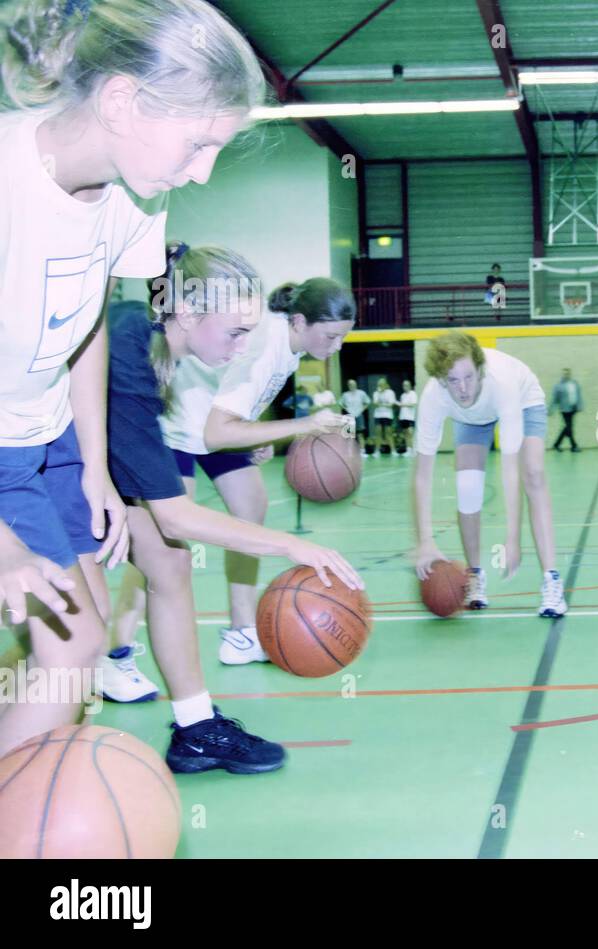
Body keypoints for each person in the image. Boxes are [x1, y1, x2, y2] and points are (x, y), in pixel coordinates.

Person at [0, 0, 264, 756]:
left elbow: (84, 322)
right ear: (121, 100)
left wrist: (93, 465)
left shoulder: (138, 195)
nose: (203, 171)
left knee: (76, 650)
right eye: (199, 143)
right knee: (70, 649)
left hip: (48, 437)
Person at [103, 249, 361, 773]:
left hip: (101, 456)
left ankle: (196, 726)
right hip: (51, 465)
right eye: (237, 333)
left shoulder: (158, 350)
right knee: (73, 637)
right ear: (189, 313)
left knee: (170, 560)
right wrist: (293, 545)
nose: (245, 345)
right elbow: (178, 511)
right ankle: (113, 655)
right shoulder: (130, 348)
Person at [412, 332, 565, 617]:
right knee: (467, 487)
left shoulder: (502, 383)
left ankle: (551, 579)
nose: (463, 388)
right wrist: (425, 541)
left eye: (469, 377)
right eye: (453, 380)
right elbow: (422, 475)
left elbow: (509, 468)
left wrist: (512, 538)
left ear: (480, 369)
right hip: (469, 419)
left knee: (533, 473)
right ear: (441, 379)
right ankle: (475, 575)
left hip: (523, 401)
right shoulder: (433, 397)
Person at [550, 368, 584, 452]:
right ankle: (574, 446)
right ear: (563, 375)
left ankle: (557, 444)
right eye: (564, 374)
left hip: (573, 408)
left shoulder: (574, 384)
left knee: (568, 427)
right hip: (564, 410)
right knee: (569, 427)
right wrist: (551, 409)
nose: (566, 375)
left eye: (567, 373)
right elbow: (555, 399)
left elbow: (578, 395)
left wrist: (580, 406)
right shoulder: (558, 386)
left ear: (570, 374)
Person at [341, 378, 371, 452]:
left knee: (360, 434)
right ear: (348, 385)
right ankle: (349, 451)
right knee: (349, 435)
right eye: (350, 384)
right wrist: (346, 409)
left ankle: (362, 451)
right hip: (349, 416)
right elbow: (340, 403)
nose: (352, 385)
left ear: (356, 385)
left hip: (359, 415)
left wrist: (362, 409)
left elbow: (368, 402)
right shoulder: (345, 394)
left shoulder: (361, 393)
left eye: (354, 384)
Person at [371, 377, 397, 455]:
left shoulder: (390, 392)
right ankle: (377, 451)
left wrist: (381, 404)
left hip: (387, 415)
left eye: (382, 384)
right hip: (378, 415)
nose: (380, 386)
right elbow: (375, 404)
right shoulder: (376, 393)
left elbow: (391, 404)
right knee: (378, 433)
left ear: (386, 385)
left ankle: (393, 451)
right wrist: (380, 394)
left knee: (388, 433)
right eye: (379, 384)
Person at [398, 379, 418, 457]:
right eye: (404, 385)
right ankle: (408, 450)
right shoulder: (402, 395)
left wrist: (402, 405)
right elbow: (401, 406)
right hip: (403, 417)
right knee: (406, 434)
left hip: (410, 417)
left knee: (410, 433)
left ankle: (414, 450)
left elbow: (413, 404)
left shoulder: (413, 394)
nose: (405, 387)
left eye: (406, 385)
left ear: (410, 386)